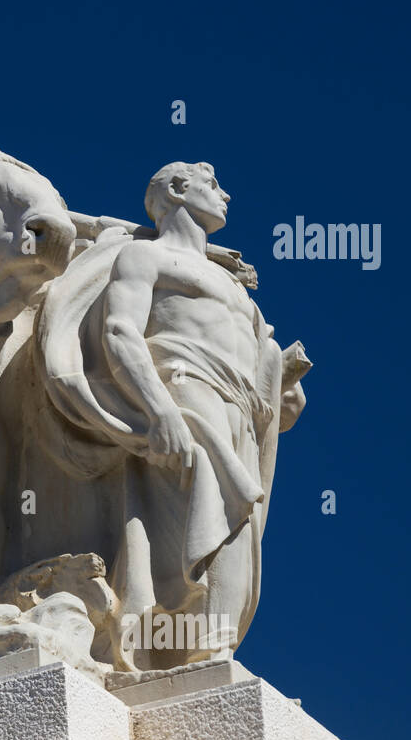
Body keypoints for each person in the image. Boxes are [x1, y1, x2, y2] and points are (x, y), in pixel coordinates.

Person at [36, 162, 306, 669]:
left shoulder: (238, 292)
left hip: (240, 410)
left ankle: (205, 651)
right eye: (213, 184)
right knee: (217, 516)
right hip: (184, 391)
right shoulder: (146, 256)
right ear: (178, 190)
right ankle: (190, 650)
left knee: (241, 528)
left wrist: (283, 388)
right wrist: (159, 411)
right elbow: (120, 332)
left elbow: (261, 372)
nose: (227, 194)